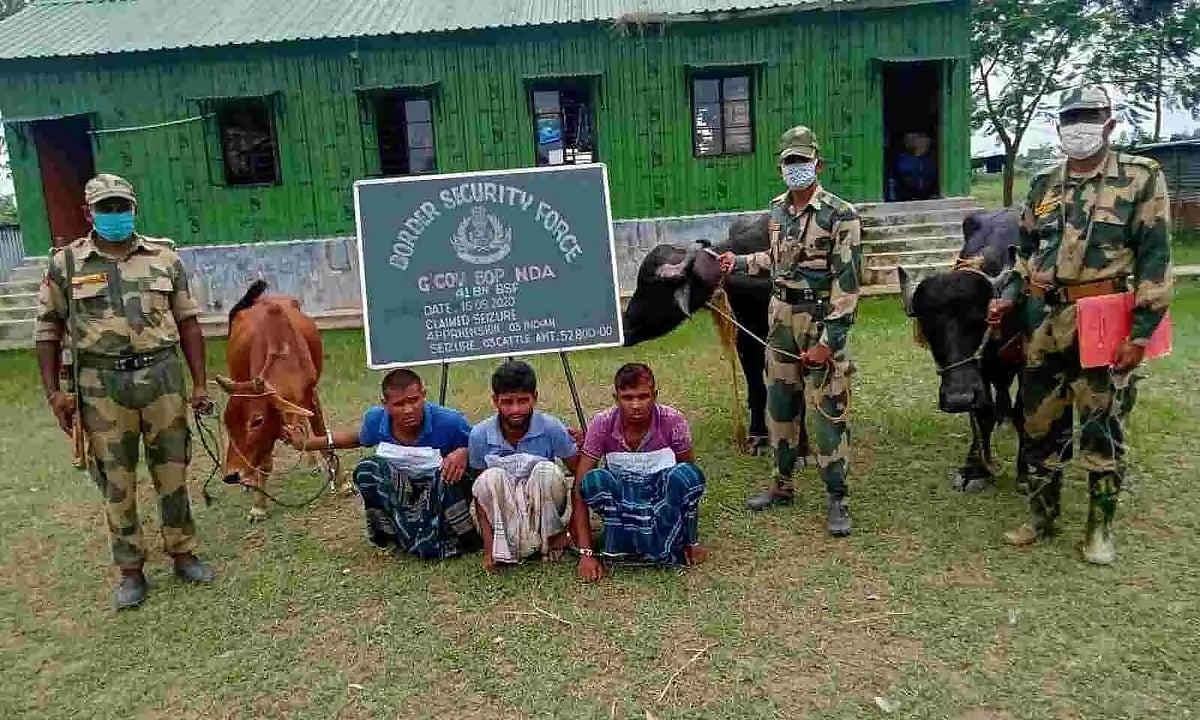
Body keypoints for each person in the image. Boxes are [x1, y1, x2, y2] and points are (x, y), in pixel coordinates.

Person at [988, 85, 1173, 565]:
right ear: (1058, 126)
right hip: (1045, 321)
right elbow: (1024, 255)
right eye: (1071, 118)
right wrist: (1008, 299)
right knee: (1038, 423)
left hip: (1103, 318)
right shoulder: (1044, 183)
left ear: (1109, 123)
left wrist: (1140, 334)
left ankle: (1100, 529)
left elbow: (1156, 258)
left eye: (1090, 116)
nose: (1079, 126)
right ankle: (1042, 516)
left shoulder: (1140, 176)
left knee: (1101, 425)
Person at [34, 173, 214, 610]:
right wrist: (54, 393)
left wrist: (199, 383)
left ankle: (182, 552)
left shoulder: (164, 258)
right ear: (87, 213)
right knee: (116, 480)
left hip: (162, 377)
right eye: (105, 208)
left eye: (121, 206)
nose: (114, 215)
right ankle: (131, 570)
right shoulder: (66, 265)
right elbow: (47, 329)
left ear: (133, 208)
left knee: (173, 470)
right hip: (101, 385)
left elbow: (188, 322)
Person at [718, 125, 863, 536]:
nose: (796, 168)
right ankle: (781, 485)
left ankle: (837, 497)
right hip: (780, 319)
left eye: (803, 161)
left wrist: (828, 343)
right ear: (781, 166)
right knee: (779, 406)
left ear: (818, 163)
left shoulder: (841, 215)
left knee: (827, 412)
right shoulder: (777, 211)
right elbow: (778, 260)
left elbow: (848, 285)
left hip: (819, 320)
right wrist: (739, 263)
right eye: (789, 162)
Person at [281, 368, 480, 559]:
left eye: (414, 400)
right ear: (385, 404)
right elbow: (358, 438)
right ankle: (390, 532)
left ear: (424, 395)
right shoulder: (376, 419)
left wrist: (463, 451)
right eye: (399, 404)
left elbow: (480, 445)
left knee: (449, 473)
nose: (408, 410)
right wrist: (307, 444)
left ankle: (459, 533)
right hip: (404, 489)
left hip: (439, 490)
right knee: (368, 469)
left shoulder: (449, 421)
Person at [571, 363, 709, 582]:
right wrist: (586, 554)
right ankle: (628, 542)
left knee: (685, 475)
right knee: (593, 481)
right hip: (624, 498)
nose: (636, 405)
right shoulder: (602, 423)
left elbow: (689, 481)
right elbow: (579, 488)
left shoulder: (673, 420)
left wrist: (692, 541)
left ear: (654, 395)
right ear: (616, 398)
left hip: (660, 497)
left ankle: (668, 539)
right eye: (627, 397)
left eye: (643, 396)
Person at [469, 360, 580, 572]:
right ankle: (505, 547)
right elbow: (481, 494)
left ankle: (550, 538)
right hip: (503, 512)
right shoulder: (480, 435)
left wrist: (571, 531)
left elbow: (581, 474)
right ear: (495, 401)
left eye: (523, 401)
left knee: (545, 471)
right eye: (507, 402)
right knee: (491, 477)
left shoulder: (550, 427)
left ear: (535, 397)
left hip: (542, 506)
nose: (515, 409)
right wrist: (488, 547)